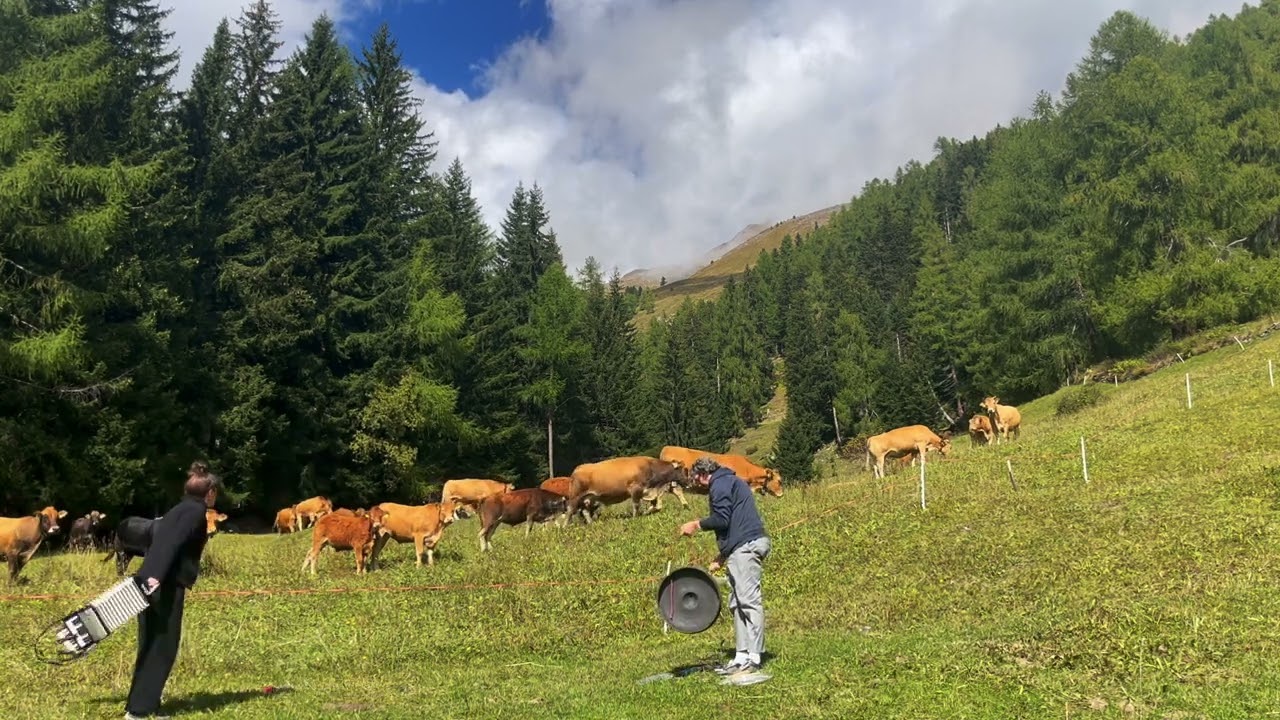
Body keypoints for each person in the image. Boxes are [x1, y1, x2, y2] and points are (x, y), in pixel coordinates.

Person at [124, 462, 221, 720]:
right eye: (216, 492)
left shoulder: (179, 508)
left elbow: (158, 539)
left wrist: (148, 576)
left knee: (150, 643)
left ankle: (143, 703)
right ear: (209, 491)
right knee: (163, 645)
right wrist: (156, 577)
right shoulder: (194, 512)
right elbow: (170, 543)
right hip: (163, 585)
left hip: (151, 581)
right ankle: (140, 711)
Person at [679, 456, 771, 676]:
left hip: (746, 547)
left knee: (748, 601)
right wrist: (723, 556)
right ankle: (741, 655)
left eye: (697, 480)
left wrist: (696, 524)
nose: (699, 485)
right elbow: (736, 522)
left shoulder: (719, 485)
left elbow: (722, 519)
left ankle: (755, 657)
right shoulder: (731, 481)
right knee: (737, 603)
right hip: (742, 546)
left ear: (703, 474)